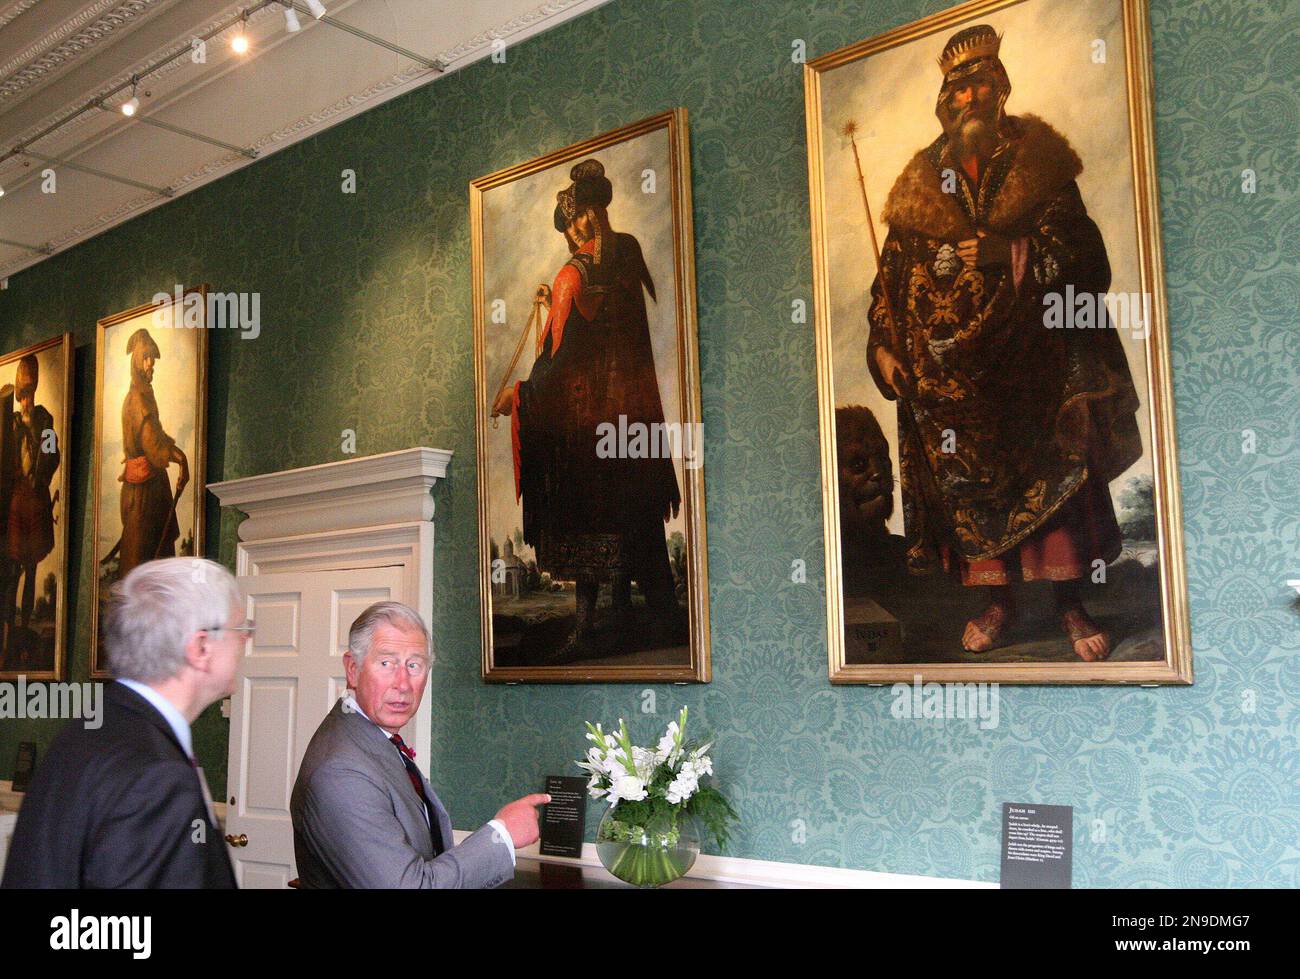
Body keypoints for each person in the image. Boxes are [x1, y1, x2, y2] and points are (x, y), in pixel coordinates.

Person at [867, 24, 1142, 661]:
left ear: (1001, 89)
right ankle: (999, 602)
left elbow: (1087, 258)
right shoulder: (923, 179)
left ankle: (1070, 601)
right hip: (952, 382)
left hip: (1034, 361)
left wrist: (1010, 253)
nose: (968, 98)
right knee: (968, 488)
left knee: (1056, 476)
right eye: (957, 89)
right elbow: (888, 284)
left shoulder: (1037, 164)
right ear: (945, 100)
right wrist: (883, 349)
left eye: (980, 85)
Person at [491, 159, 682, 661]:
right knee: (617, 526)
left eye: (580, 216)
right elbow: (574, 348)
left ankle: (603, 627)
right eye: (569, 224)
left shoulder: (581, 272)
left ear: (597, 210)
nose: (575, 229)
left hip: (599, 427)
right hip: (618, 426)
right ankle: (617, 623)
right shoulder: (611, 262)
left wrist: (520, 395)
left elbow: (563, 359)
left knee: (603, 523)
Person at [1, 558, 243, 888]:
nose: (245, 642)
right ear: (201, 647)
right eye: (240, 631)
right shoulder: (156, 778)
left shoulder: (89, 729)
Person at [290, 601, 548, 888]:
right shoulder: (341, 771)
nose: (403, 683)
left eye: (414, 665)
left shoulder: (372, 738)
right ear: (353, 669)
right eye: (386, 663)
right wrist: (502, 835)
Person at [116, 328, 189, 578]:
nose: (150, 364)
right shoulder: (138, 398)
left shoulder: (140, 394)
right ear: (137, 360)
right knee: (143, 563)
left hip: (144, 492)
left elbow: (156, 435)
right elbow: (153, 445)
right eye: (145, 358)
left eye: (152, 359)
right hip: (145, 495)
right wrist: (181, 459)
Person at [2, 354, 60, 663]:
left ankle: (24, 629)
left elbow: (52, 454)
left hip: (35, 501)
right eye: (22, 394)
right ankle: (8, 631)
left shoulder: (45, 420)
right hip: (16, 500)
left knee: (32, 568)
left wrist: (40, 479)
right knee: (13, 569)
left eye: (29, 393)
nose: (25, 400)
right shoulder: (9, 423)